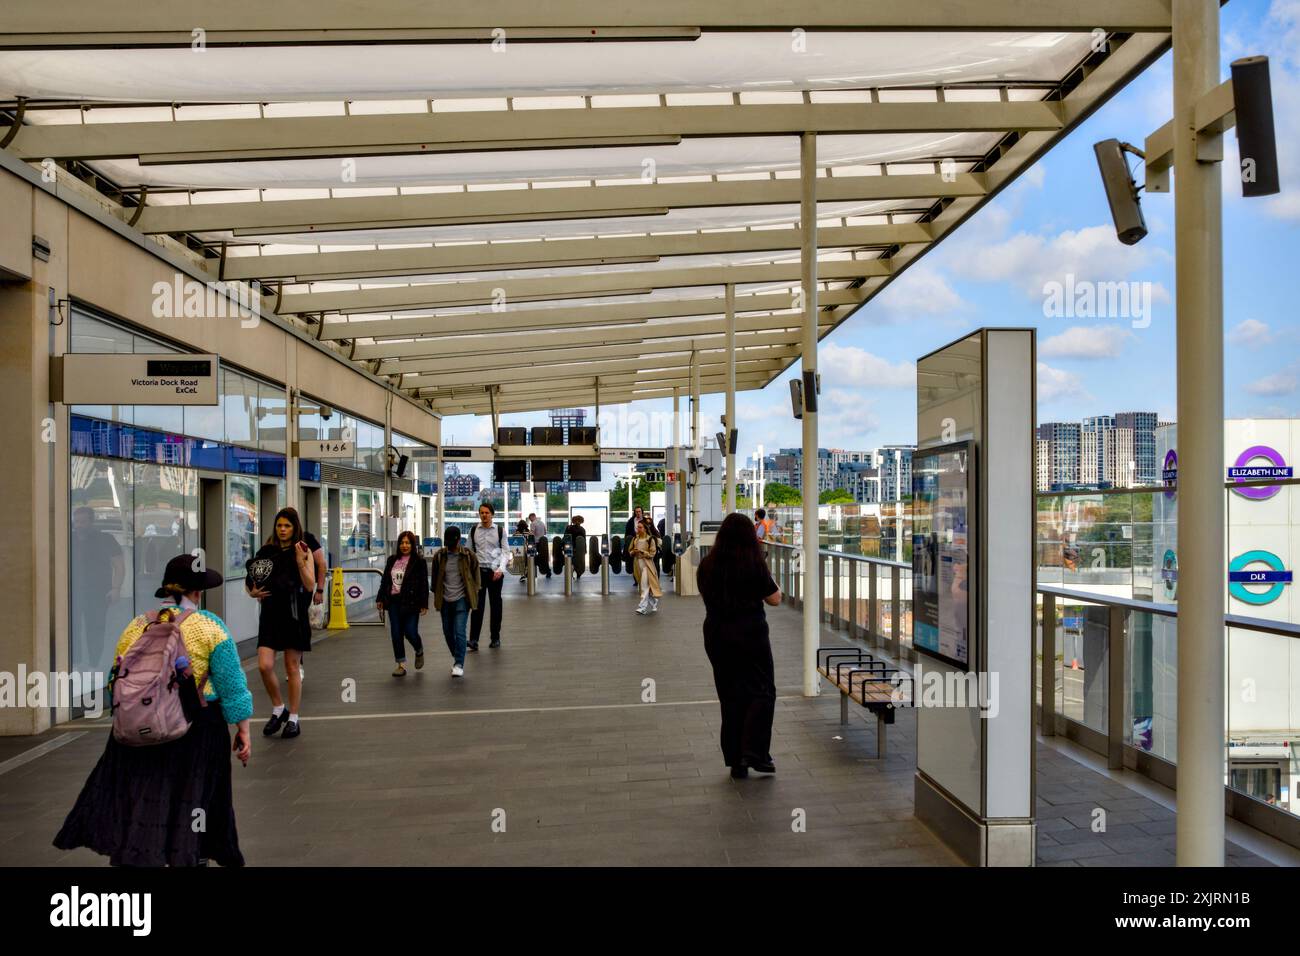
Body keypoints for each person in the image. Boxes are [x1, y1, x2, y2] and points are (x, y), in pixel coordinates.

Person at [54, 554, 254, 867]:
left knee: (151, 795)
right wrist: (243, 728)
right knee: (195, 796)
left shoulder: (137, 625)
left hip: (142, 728)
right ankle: (193, 853)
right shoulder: (209, 626)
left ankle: (145, 854)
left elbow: (114, 680)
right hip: (197, 724)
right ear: (197, 593)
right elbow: (232, 684)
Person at [697, 513, 782, 780]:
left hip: (717, 635)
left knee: (730, 694)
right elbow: (775, 599)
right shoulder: (753, 565)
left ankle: (736, 759)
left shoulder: (707, 565)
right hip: (750, 634)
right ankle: (755, 753)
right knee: (762, 691)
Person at [247, 507, 315, 740]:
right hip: (270, 614)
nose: (283, 530)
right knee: (264, 665)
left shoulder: (303, 550)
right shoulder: (266, 550)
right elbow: (252, 578)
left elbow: (309, 584)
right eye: (279, 526)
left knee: (291, 667)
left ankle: (293, 718)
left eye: (287, 526)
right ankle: (278, 707)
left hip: (294, 614)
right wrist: (252, 592)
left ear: (295, 527)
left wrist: (299, 562)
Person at [71, 505, 126, 670]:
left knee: (95, 628)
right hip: (73, 591)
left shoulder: (106, 539)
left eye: (83, 521)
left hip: (98, 593)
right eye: (77, 521)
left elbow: (119, 566)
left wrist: (116, 588)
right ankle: (76, 662)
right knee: (72, 627)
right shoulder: (68, 539)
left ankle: (94, 664)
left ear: (91, 521)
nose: (79, 525)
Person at [377, 531, 428, 677]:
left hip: (411, 602)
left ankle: (419, 649)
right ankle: (400, 664)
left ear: (412, 545)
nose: (404, 546)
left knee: (410, 632)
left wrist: (424, 603)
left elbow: (424, 584)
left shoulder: (419, 562)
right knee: (396, 633)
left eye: (407, 543)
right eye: (402, 543)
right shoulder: (392, 560)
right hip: (394, 602)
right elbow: (385, 581)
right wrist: (380, 599)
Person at [431, 526, 480, 678]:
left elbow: (476, 576)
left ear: (459, 540)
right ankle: (457, 655)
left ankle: (459, 663)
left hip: (461, 600)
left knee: (459, 631)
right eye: (447, 543)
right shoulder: (439, 556)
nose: (449, 546)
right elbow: (434, 580)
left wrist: (472, 594)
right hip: (445, 600)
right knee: (447, 632)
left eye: (452, 543)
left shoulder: (468, 556)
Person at [467, 502, 507, 651]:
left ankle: (495, 638)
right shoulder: (473, 531)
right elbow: (469, 552)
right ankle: (473, 640)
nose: (484, 515)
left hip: (495, 573)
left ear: (492, 514)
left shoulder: (500, 531)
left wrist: (500, 569)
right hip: (478, 574)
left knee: (496, 605)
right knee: (477, 606)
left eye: (487, 513)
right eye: (482, 513)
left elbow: (506, 552)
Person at [630, 518, 662, 615]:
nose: (638, 529)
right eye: (637, 527)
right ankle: (654, 602)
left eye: (640, 527)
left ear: (644, 528)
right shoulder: (635, 539)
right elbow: (630, 551)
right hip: (637, 564)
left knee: (644, 586)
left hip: (647, 565)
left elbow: (652, 553)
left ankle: (642, 607)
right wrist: (633, 552)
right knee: (644, 585)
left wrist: (642, 552)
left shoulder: (650, 539)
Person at [624, 506, 646, 587]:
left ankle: (645, 579)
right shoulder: (631, 521)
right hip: (634, 542)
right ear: (634, 512)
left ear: (642, 512)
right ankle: (636, 580)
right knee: (635, 561)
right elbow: (627, 533)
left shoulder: (646, 521)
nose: (638, 513)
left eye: (639, 511)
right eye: (636, 511)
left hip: (644, 542)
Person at [528, 512, 552, 579]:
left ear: (533, 517)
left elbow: (531, 533)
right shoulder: (542, 522)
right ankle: (548, 571)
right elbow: (545, 532)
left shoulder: (533, 523)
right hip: (543, 542)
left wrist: (528, 534)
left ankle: (531, 571)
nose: (530, 520)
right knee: (544, 557)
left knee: (533, 556)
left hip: (536, 542)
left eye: (530, 519)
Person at [564, 514, 587, 579]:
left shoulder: (569, 527)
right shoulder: (582, 529)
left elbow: (565, 537)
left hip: (569, 547)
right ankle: (578, 574)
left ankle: (571, 573)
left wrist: (563, 546)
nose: (577, 522)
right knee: (579, 562)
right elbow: (584, 540)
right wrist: (585, 549)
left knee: (570, 561)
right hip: (579, 549)